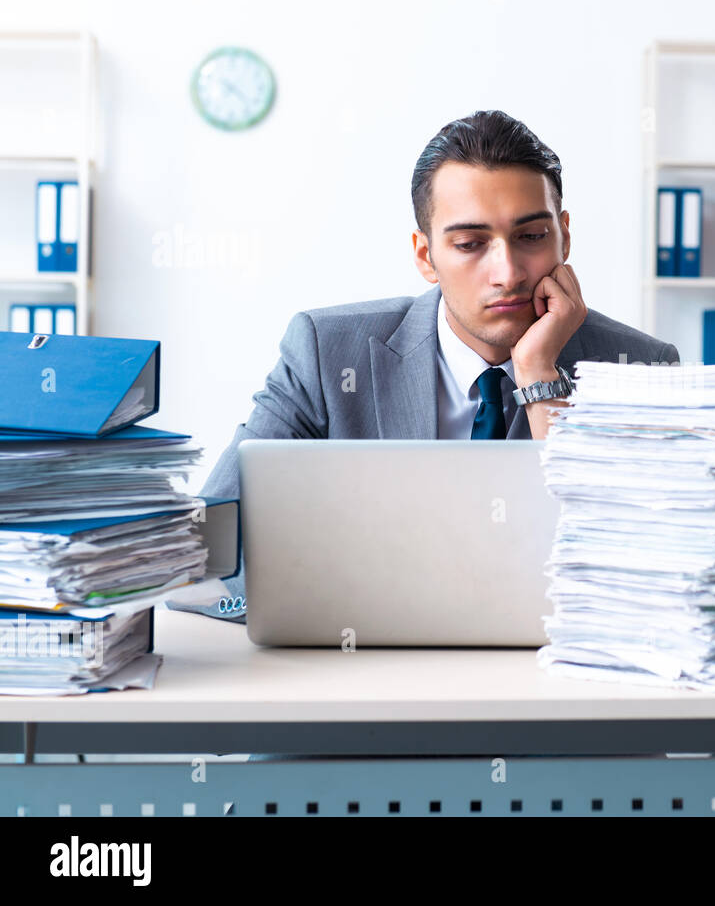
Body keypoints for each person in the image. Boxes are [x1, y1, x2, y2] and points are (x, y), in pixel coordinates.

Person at [175, 109, 679, 624]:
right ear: (425, 256)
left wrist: (541, 379)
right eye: (469, 244)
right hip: (371, 671)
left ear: (564, 237)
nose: (506, 273)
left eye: (530, 237)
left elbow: (639, 575)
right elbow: (197, 561)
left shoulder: (640, 367)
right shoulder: (326, 354)